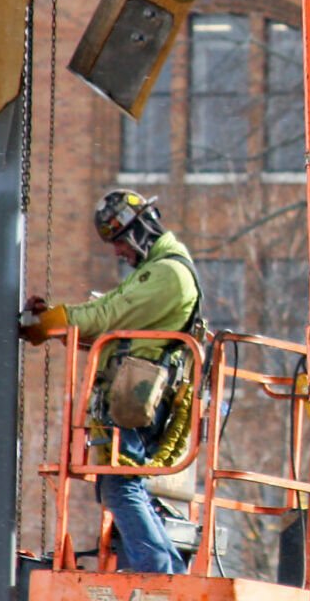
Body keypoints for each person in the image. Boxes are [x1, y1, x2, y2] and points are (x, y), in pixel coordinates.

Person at [20, 189, 201, 574]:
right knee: (118, 484)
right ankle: (163, 566)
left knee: (120, 484)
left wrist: (50, 322)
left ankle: (156, 569)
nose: (118, 252)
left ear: (137, 233)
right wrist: (54, 320)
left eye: (119, 242)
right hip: (136, 392)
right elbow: (110, 318)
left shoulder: (167, 274)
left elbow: (107, 314)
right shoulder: (156, 273)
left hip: (141, 397)